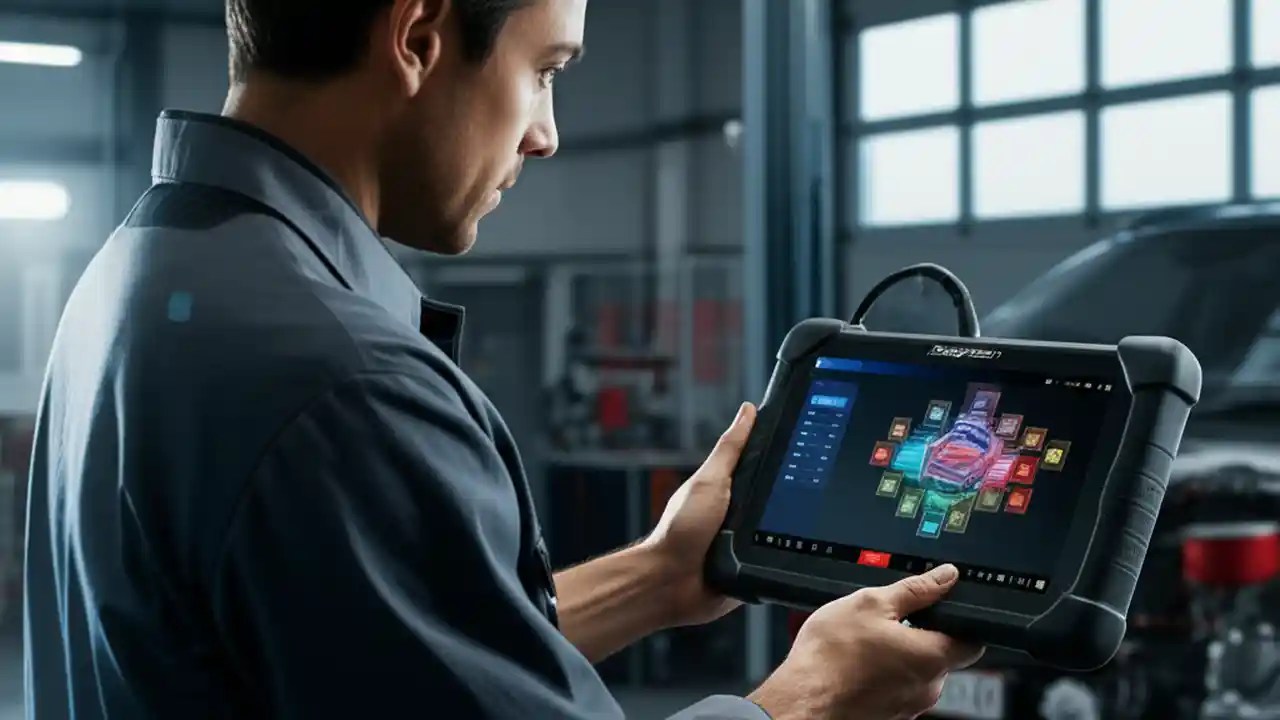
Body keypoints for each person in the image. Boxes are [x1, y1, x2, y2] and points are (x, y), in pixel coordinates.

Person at [21, 0, 982, 718]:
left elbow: (363, 657)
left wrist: (655, 577)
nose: (547, 133)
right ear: (418, 38)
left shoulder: (142, 270)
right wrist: (806, 700)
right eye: (546, 69)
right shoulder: (347, 384)